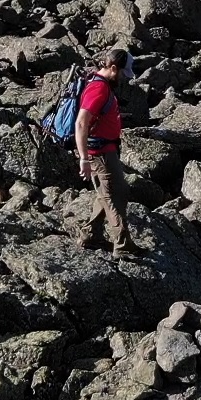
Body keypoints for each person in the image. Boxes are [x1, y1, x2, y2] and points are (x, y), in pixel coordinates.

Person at [74, 49, 140, 256]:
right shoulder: (99, 89)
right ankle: (123, 246)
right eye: (122, 73)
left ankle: (90, 235)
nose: (124, 78)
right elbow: (81, 122)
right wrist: (84, 158)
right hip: (99, 153)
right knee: (116, 194)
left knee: (106, 192)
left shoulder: (99, 84)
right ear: (113, 68)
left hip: (105, 148)